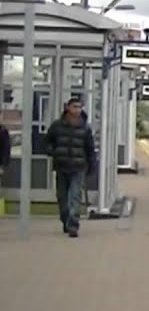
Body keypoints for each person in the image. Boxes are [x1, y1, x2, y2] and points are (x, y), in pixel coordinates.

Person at [44, 98, 97, 238]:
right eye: (75, 106)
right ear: (68, 107)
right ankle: (65, 219)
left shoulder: (85, 128)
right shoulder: (57, 126)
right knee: (62, 197)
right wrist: (53, 152)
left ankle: (73, 225)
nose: (77, 110)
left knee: (75, 196)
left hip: (78, 167)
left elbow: (90, 149)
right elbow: (47, 142)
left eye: (80, 107)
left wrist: (92, 165)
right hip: (61, 166)